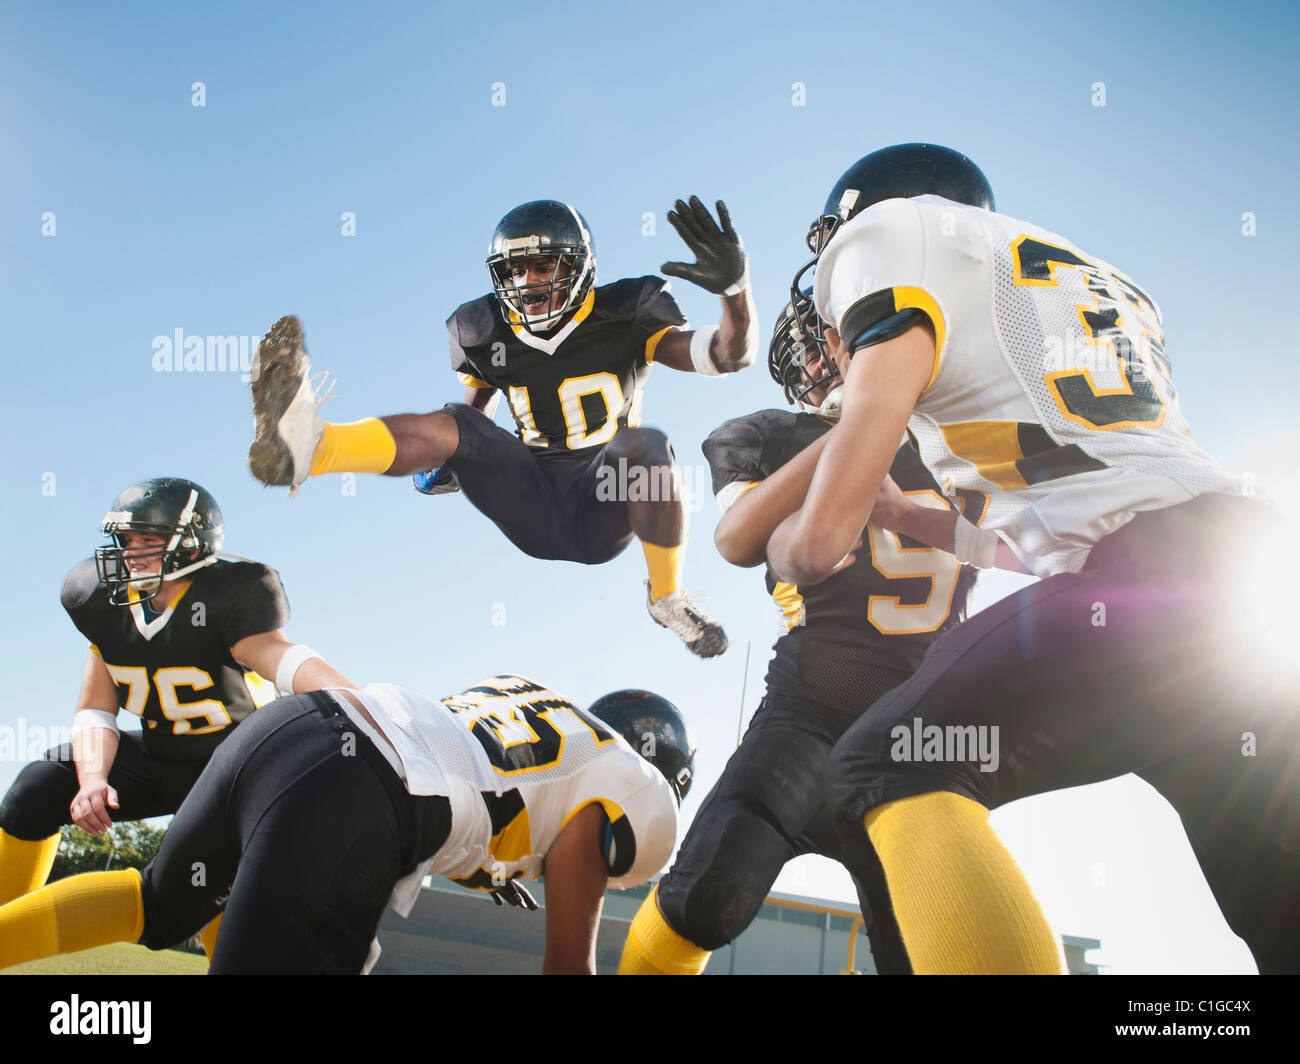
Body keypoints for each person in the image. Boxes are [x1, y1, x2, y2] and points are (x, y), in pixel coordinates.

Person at [765, 143, 1295, 974]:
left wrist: (790, 540)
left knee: (886, 762)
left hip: (1145, 579)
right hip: (1225, 583)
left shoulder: (893, 236)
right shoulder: (1087, 285)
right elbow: (1058, 528)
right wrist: (909, 514)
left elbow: (822, 542)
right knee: (1280, 912)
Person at [620, 300, 990, 975]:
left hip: (921, 737)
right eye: (818, 344)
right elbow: (737, 538)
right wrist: (868, 420)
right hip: (808, 716)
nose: (828, 353)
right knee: (704, 900)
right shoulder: (766, 433)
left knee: (942, 957)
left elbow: (1020, 546)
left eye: (841, 338)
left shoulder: (968, 439)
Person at [248, 197, 758, 657]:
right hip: (532, 497)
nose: (527, 283)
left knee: (645, 446)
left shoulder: (627, 311)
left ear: (579, 268)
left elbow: (727, 355)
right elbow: (474, 415)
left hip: (604, 505)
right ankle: (312, 449)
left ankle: (666, 596)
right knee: (457, 420)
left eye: (542, 266)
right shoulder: (483, 328)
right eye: (514, 271)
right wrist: (446, 457)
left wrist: (734, 292)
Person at [0, 675, 692, 974]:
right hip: (358, 792)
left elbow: (474, 775)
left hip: (291, 728)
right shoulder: (635, 787)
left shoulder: (532, 701)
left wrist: (500, 865)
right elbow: (568, 962)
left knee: (156, 901)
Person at [0, 478, 350, 963]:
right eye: (126, 541)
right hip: (162, 757)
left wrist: (357, 704)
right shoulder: (106, 603)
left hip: (235, 773)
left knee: (200, 892)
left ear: (192, 542)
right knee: (40, 785)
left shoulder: (227, 597)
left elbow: (284, 661)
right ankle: (5, 920)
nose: (131, 554)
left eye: (148, 541)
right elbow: (97, 708)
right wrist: (94, 779)